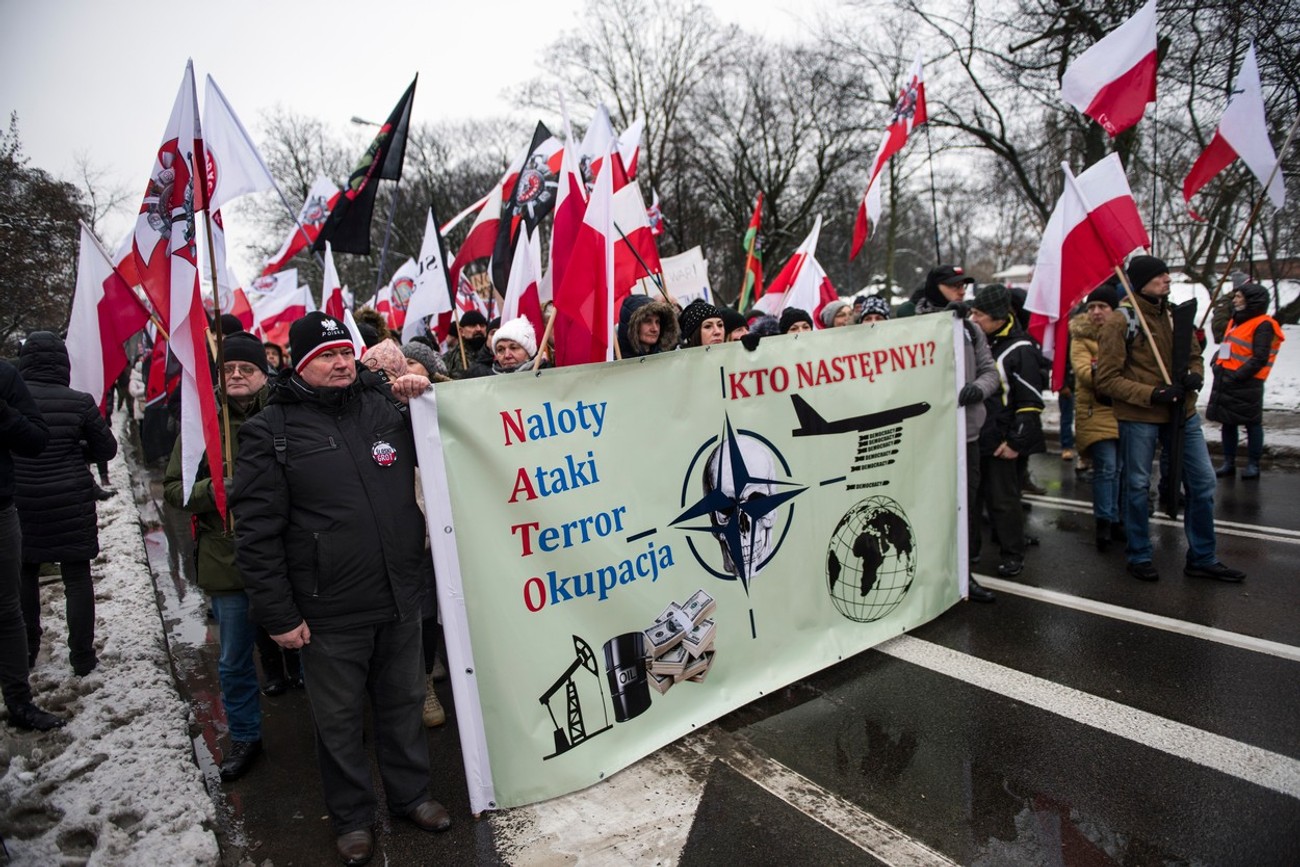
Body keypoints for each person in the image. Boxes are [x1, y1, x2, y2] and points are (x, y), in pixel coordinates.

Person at [232, 312, 452, 864]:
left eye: (345, 353)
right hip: (328, 611)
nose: (340, 363)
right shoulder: (271, 431)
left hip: (400, 596)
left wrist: (425, 393)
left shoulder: (385, 408)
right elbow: (256, 535)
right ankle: (353, 818)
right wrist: (278, 615)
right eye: (326, 356)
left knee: (403, 703)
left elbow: (450, 444)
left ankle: (410, 796)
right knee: (338, 720)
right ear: (302, 364)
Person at [1095, 255, 1245, 583]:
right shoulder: (1121, 321)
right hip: (1140, 416)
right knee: (1136, 486)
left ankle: (1202, 557)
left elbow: (1194, 356)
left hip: (1183, 413)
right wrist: (1152, 394)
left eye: (1166, 273)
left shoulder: (1177, 315)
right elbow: (1105, 379)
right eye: (1159, 275)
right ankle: (1138, 554)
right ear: (1142, 281)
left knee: (1203, 483)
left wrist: (1194, 376)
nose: (1167, 279)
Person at [163, 331, 270, 781]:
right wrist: (217, 490)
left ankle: (332, 730)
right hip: (228, 559)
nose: (238, 376)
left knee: (314, 652)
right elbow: (174, 488)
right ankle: (245, 735)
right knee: (233, 659)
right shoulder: (202, 423)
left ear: (264, 373)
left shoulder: (286, 412)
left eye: (246, 368)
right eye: (228, 369)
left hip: (288, 555)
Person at [13, 332, 118, 678]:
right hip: (71, 500)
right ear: (64, 363)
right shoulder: (79, 402)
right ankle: (82, 657)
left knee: (25, 572)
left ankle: (28, 649)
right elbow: (107, 450)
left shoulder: (10, 403)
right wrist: (76, 451)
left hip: (21, 499)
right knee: (76, 576)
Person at [915, 267, 1000, 601]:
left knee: (966, 507)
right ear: (935, 288)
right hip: (927, 436)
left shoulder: (970, 329)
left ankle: (964, 576)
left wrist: (977, 390)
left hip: (967, 437)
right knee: (929, 507)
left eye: (964, 285)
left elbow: (989, 371)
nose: (961, 291)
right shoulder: (911, 324)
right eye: (953, 286)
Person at [1, 359, 62, 731]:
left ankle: (19, 703)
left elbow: (36, 439)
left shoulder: (5, 376)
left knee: (7, 611)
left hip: (1, 511)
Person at [968, 285, 1045, 579]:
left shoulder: (1020, 348)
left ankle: (1013, 554)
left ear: (999, 317)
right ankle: (971, 551)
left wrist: (1015, 441)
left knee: (1003, 501)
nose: (973, 319)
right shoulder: (976, 342)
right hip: (977, 438)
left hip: (1001, 441)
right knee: (973, 500)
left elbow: (1030, 401)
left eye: (979, 314)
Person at [1207, 282, 1285, 480]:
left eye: (1239, 297)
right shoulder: (1236, 320)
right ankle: (1228, 462)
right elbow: (1229, 344)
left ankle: (1253, 464)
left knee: (1252, 423)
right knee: (1227, 423)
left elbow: (1260, 357)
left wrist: (1237, 376)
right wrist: (1217, 361)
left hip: (1247, 382)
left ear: (1252, 301)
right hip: (1227, 378)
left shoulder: (1263, 324)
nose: (1235, 300)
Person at [1069, 284, 1125, 550]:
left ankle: (1117, 519)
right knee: (1107, 468)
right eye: (1091, 307)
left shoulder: (1127, 334)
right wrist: (1116, 376)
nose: (1096, 312)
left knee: (1123, 470)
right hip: (1096, 411)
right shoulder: (1081, 338)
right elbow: (1084, 372)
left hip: (1125, 410)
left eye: (1102, 306)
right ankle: (1104, 522)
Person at [443, 310, 489, 377]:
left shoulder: (493, 353)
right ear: (461, 331)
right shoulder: (450, 357)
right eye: (472, 326)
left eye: (482, 326)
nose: (479, 329)